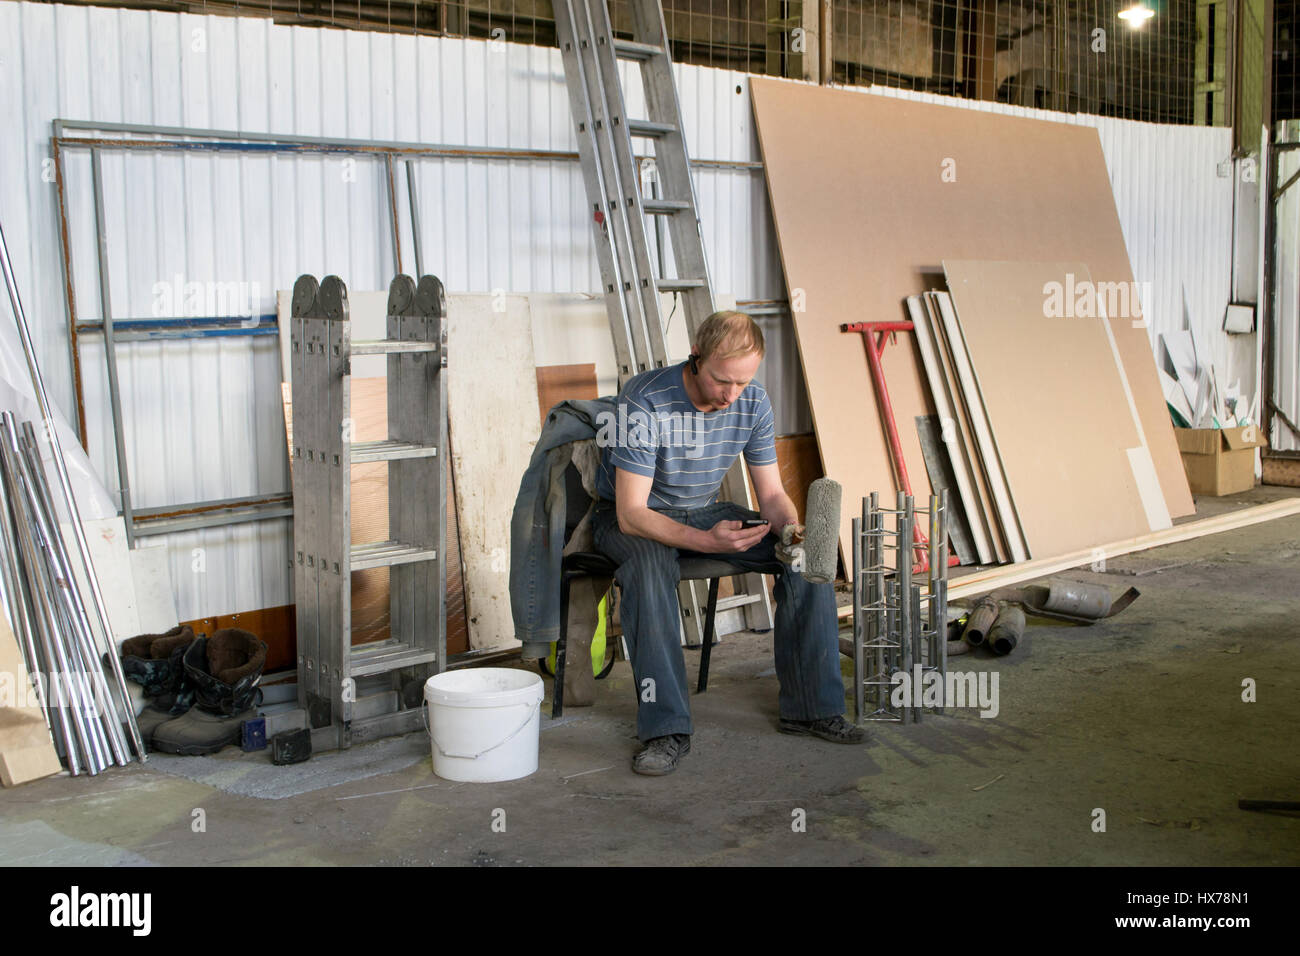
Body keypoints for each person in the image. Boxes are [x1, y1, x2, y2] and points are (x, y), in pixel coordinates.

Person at [591, 310, 866, 776]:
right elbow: (631, 513)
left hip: (703, 512)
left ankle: (812, 709)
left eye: (742, 383)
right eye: (722, 381)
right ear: (696, 358)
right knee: (648, 570)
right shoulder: (644, 399)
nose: (731, 395)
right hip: (633, 519)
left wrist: (790, 530)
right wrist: (703, 539)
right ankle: (665, 731)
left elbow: (773, 495)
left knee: (800, 560)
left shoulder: (752, 401)